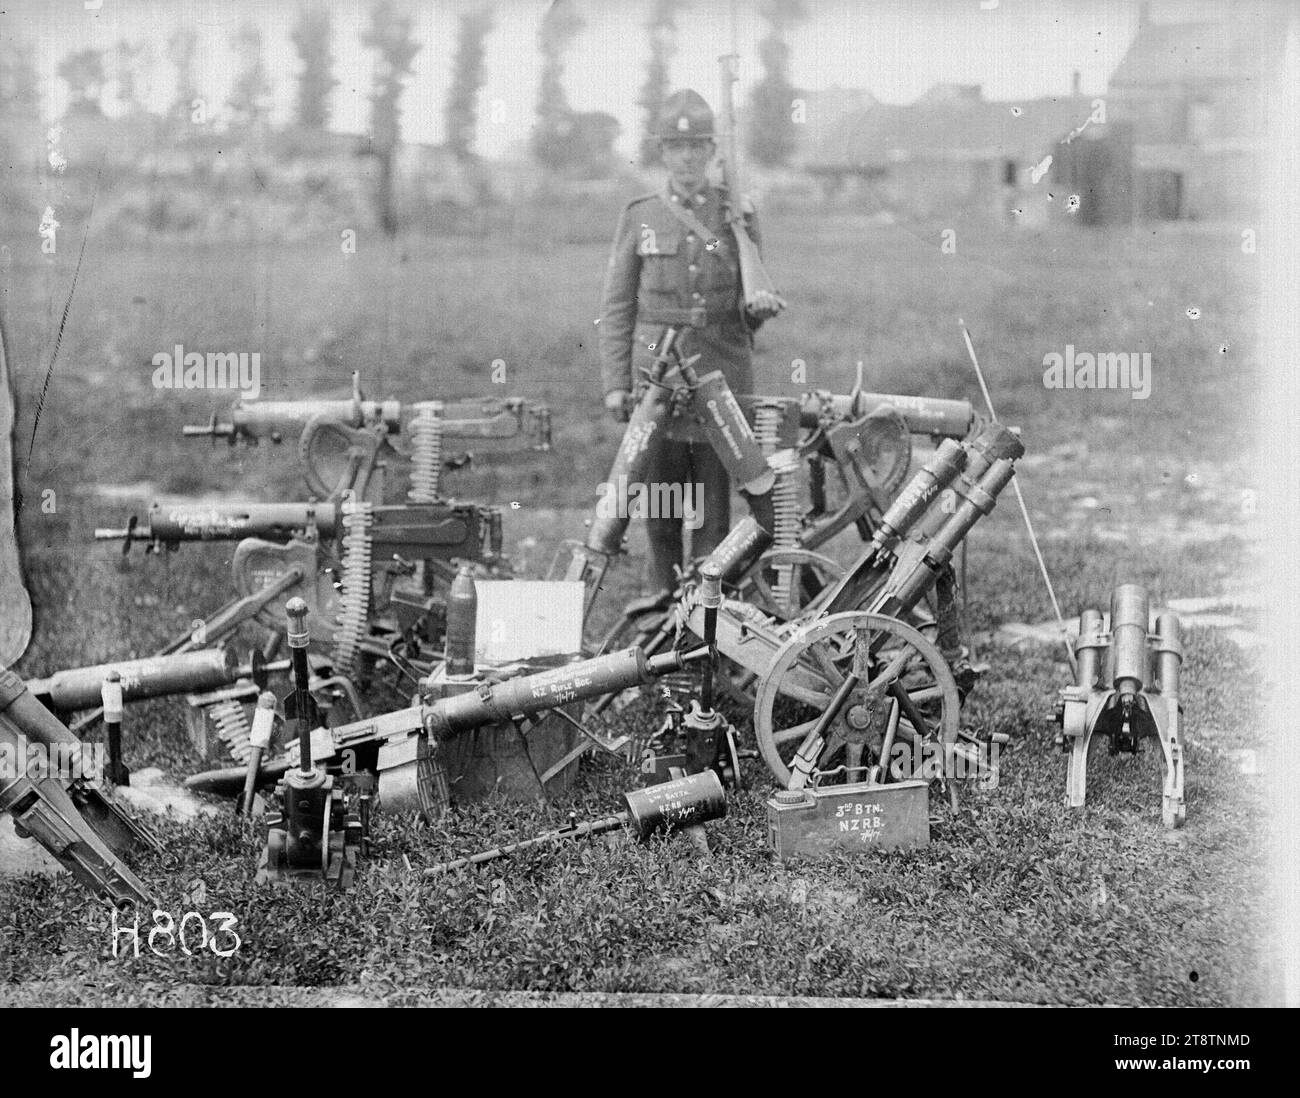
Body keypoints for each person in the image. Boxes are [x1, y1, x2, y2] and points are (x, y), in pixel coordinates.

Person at [596, 88, 784, 595]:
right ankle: (662, 611)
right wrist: (616, 385)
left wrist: (757, 310)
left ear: (712, 153)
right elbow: (617, 307)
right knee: (659, 511)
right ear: (662, 153)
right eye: (677, 148)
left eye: (698, 146)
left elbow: (751, 306)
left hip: (719, 377)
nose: (687, 157)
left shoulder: (736, 216)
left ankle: (704, 623)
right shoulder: (640, 215)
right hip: (656, 379)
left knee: (711, 514)